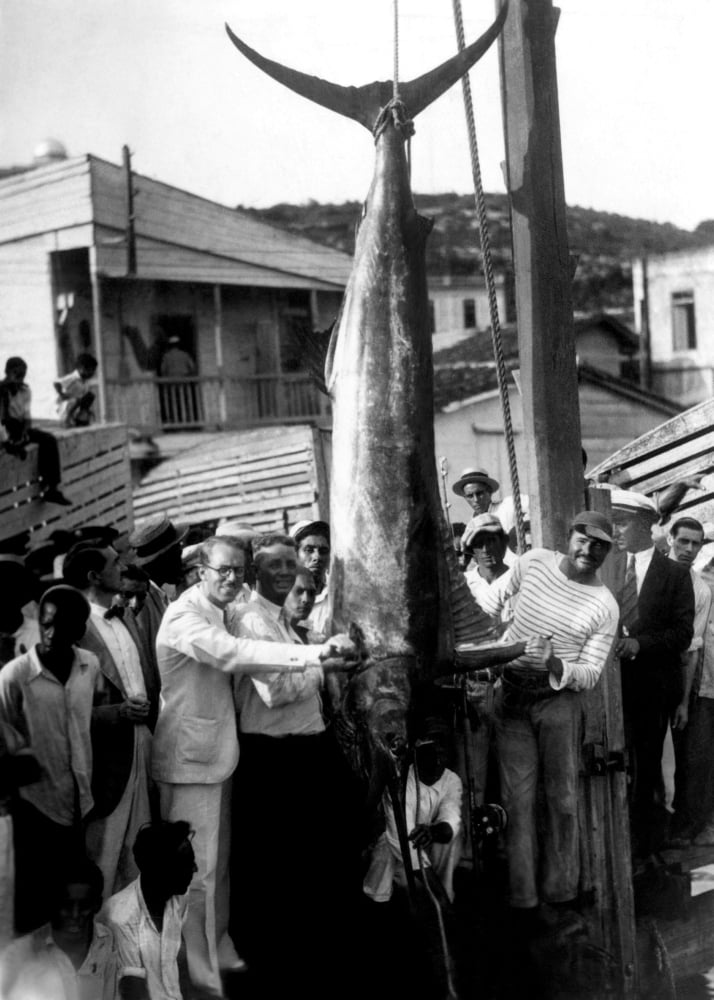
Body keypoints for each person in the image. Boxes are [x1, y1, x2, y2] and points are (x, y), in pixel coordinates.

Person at [152, 535, 358, 998]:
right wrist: (314, 656)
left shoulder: (221, 607)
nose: (232, 578)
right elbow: (234, 653)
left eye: (238, 570)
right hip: (190, 761)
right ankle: (197, 973)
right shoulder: (186, 616)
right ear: (199, 572)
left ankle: (219, 948)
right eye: (222, 570)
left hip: (219, 756)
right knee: (195, 875)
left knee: (217, 870)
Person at [231, 532, 361, 997]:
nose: (287, 573)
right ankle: (286, 973)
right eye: (276, 566)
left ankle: (318, 960)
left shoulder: (282, 620)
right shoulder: (250, 619)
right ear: (255, 571)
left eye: (291, 564)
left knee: (322, 861)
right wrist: (323, 666)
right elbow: (275, 691)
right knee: (283, 874)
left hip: (305, 750)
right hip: (275, 758)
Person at [477, 510, 619, 922]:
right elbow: (489, 601)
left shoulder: (604, 605)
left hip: (557, 704)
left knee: (562, 799)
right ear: (568, 535)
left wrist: (555, 664)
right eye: (583, 540)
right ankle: (523, 900)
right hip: (511, 700)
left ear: (607, 553)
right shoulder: (534, 560)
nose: (588, 551)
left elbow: (590, 674)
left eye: (599, 546)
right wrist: (491, 642)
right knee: (515, 802)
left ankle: (560, 893)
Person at [0, 586, 98, 932]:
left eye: (63, 626)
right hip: (35, 809)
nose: (52, 633)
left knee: (73, 901)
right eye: (46, 624)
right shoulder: (14, 677)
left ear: (80, 630)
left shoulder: (90, 666)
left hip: (79, 805)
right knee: (35, 904)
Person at [63, 542, 156, 899]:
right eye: (115, 563)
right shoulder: (74, 628)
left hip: (140, 753)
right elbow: (63, 708)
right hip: (104, 767)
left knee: (137, 861)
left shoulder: (122, 617)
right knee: (102, 863)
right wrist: (116, 714)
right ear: (94, 576)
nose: (123, 566)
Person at [610, 490, 695, 857]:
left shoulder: (674, 573)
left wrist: (640, 645)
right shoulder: (607, 566)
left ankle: (644, 848)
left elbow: (682, 634)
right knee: (612, 763)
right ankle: (615, 840)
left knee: (645, 768)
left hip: (651, 687)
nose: (617, 530)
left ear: (646, 525)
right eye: (614, 522)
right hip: (610, 685)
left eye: (624, 522)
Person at [363, 719, 463, 904]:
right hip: (404, 858)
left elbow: (451, 818)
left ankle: (442, 899)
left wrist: (433, 832)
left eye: (442, 745)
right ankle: (378, 900)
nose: (437, 752)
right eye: (432, 742)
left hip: (425, 858)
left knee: (451, 836)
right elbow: (403, 841)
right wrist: (436, 891)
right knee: (386, 843)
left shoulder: (452, 781)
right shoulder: (400, 781)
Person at [0, 856, 117, 1000]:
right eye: (67, 905)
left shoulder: (106, 942)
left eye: (84, 906)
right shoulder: (19, 954)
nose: (75, 915)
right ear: (53, 904)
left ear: (97, 905)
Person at [105, 821, 196, 1000]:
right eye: (185, 865)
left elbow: (180, 964)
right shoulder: (121, 916)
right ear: (160, 871)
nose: (194, 870)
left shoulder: (180, 897)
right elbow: (133, 992)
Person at [665, 518, 712, 845]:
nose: (689, 550)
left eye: (696, 544)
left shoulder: (701, 587)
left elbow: (694, 646)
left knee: (698, 759)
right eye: (684, 542)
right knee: (672, 760)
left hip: (698, 687)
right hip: (674, 683)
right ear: (671, 539)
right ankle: (668, 827)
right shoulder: (656, 573)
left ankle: (695, 826)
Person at [0, 356, 70, 506]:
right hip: (4, 430)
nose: (19, 379)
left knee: (49, 440)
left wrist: (24, 434)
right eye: (16, 374)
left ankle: (51, 487)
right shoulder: (1, 390)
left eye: (22, 375)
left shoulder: (25, 391)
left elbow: (26, 417)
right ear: (7, 372)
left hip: (19, 427)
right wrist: (8, 441)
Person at [452, 467, 528, 536]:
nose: (476, 500)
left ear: (489, 491)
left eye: (479, 493)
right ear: (465, 498)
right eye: (470, 496)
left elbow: (535, 505)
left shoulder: (509, 505)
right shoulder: (471, 527)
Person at [290, 519, 331, 637]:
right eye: (309, 550)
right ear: (294, 554)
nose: (317, 557)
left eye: (323, 551)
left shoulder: (336, 594)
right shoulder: (283, 599)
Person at [54, 353, 98, 428]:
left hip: (75, 406)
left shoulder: (84, 381)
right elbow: (57, 383)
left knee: (90, 396)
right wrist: (62, 395)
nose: (92, 373)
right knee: (76, 400)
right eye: (91, 370)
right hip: (65, 406)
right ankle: (66, 419)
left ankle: (80, 418)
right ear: (82, 368)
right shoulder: (73, 378)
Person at [284, 565, 318, 642]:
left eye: (311, 593)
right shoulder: (268, 631)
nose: (306, 599)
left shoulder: (314, 639)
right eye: (299, 591)